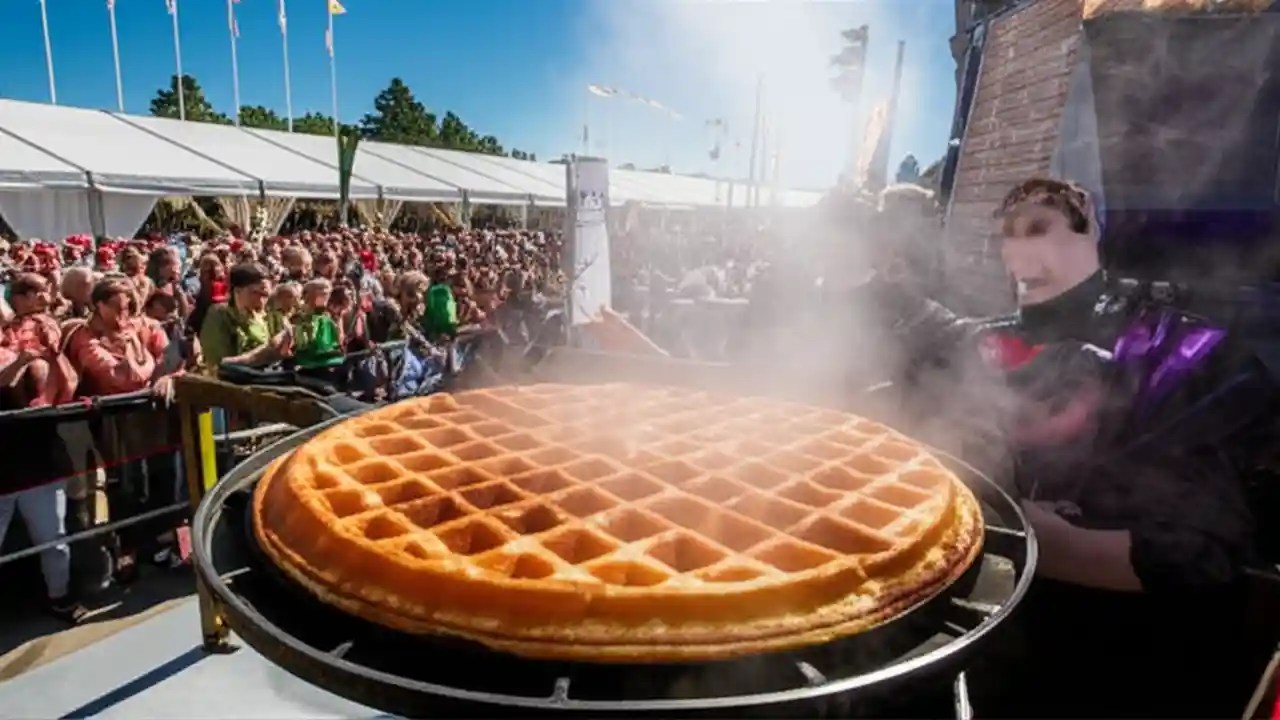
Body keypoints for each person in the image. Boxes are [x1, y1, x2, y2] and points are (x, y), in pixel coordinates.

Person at [878, 178, 1270, 717]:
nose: (1019, 250)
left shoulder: (1174, 351)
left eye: (1041, 227)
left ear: (1093, 237)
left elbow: (1197, 557)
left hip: (1116, 667)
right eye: (1007, 235)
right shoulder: (970, 345)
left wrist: (1027, 535)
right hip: (991, 652)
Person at [199, 262, 291, 371]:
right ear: (238, 291)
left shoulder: (272, 315)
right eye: (256, 293)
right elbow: (218, 364)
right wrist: (259, 355)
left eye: (266, 295)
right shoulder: (220, 315)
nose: (262, 300)